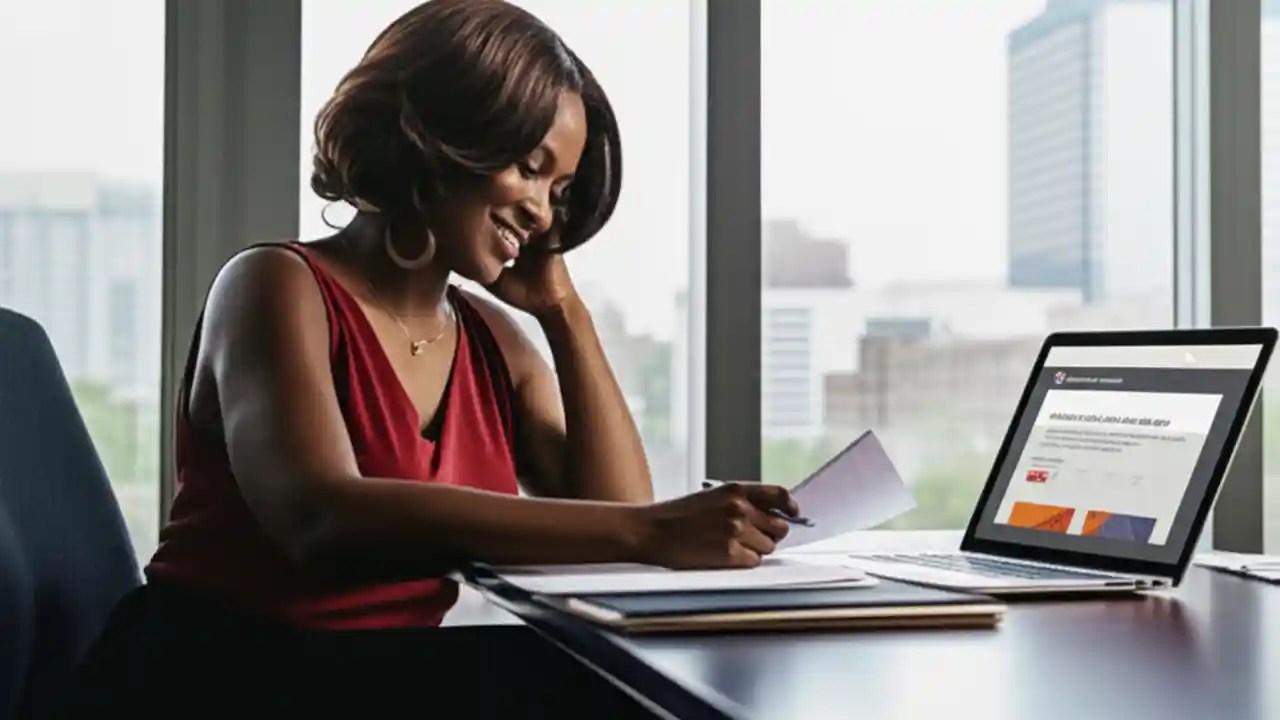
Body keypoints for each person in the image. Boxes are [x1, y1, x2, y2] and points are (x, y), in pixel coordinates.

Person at [67, 0, 799, 715]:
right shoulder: (273, 286)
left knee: (614, 677)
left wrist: (564, 315)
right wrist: (653, 529)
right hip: (212, 677)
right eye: (528, 166)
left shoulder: (495, 340)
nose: (543, 212)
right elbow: (319, 521)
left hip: (369, 682)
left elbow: (613, 530)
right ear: (443, 135)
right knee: (592, 685)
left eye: (560, 191)